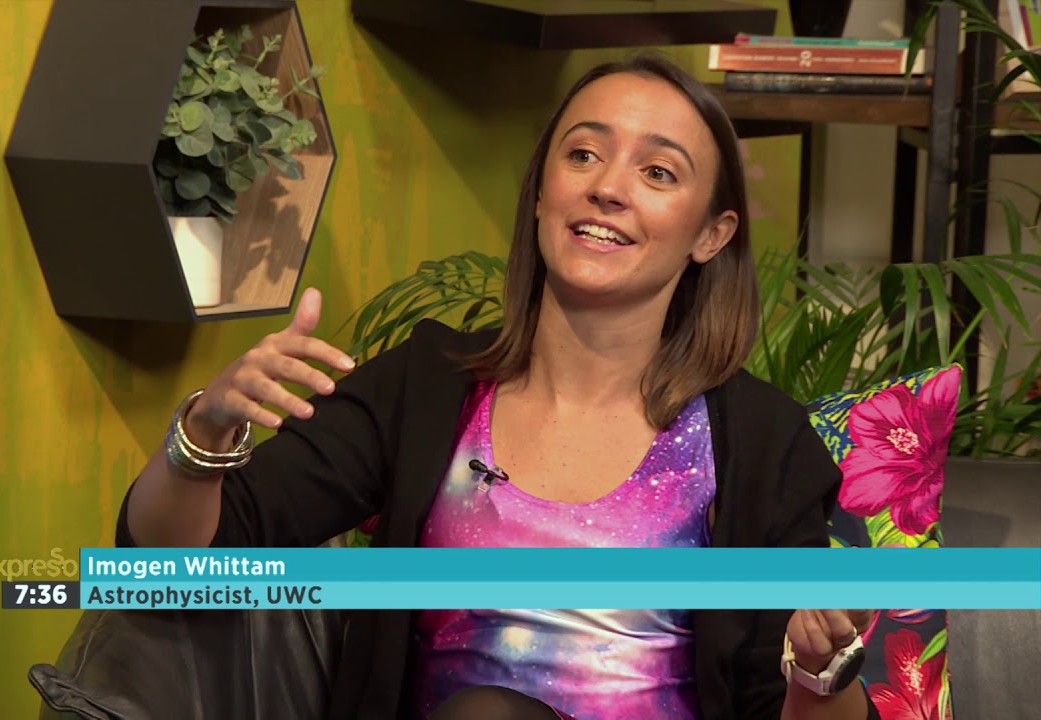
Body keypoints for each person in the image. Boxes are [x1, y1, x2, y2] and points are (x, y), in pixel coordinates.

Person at [118, 53, 880, 720]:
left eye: (657, 172)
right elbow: (172, 572)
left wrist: (822, 670)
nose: (608, 188)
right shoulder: (425, 388)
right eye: (583, 155)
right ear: (542, 192)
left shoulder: (762, 446)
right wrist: (202, 436)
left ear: (711, 235)